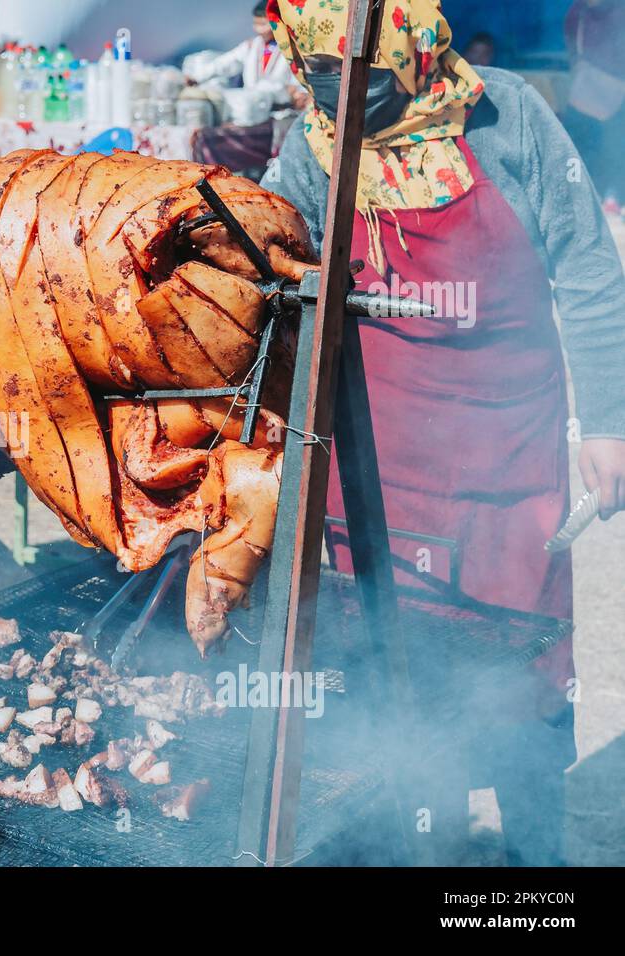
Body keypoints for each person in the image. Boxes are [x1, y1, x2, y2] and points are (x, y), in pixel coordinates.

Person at [262, 0, 625, 866]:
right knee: (392, 673)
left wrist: (608, 424)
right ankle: (422, 853)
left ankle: (536, 869)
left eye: (369, 81)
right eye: (322, 78)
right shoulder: (309, 147)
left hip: (508, 461)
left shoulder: (506, 117)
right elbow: (271, 279)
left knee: (521, 672)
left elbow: (586, 265)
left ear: (417, 54)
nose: (344, 101)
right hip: (376, 470)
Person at [186, 1, 305, 176]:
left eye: (263, 24)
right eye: (256, 24)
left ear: (276, 22)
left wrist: (290, 95)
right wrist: (197, 77)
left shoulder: (291, 48)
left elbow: (299, 84)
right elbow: (225, 64)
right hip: (252, 114)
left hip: (281, 116)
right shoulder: (251, 46)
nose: (258, 29)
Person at [563, 0, 625, 215]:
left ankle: (613, 197)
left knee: (616, 147)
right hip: (585, 90)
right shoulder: (576, 12)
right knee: (577, 149)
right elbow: (573, 50)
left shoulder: (620, 10)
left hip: (617, 93)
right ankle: (578, 198)